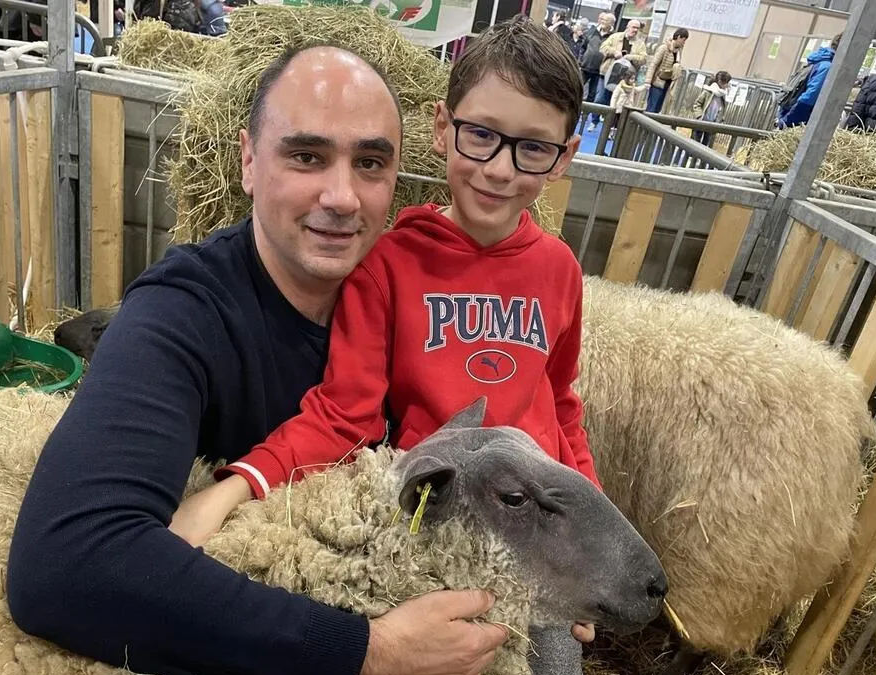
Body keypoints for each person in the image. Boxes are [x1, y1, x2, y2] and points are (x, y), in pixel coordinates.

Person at [6, 44, 524, 675]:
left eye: (370, 163)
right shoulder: (182, 313)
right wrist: (367, 654)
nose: (342, 197)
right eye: (306, 156)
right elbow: (69, 560)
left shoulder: (435, 308)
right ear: (249, 162)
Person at [173, 16, 603, 633]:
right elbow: (346, 416)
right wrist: (236, 486)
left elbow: (560, 406)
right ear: (442, 128)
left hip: (539, 533)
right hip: (439, 520)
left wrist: (592, 536)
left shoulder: (559, 270)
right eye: (481, 135)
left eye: (533, 148)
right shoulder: (386, 267)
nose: (500, 169)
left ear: (565, 157)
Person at [592, 18, 647, 128]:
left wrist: (630, 57)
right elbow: (603, 47)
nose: (635, 30)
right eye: (633, 27)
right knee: (600, 98)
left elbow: (644, 58)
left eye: (638, 28)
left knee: (617, 103)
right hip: (608, 73)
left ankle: (609, 126)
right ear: (628, 27)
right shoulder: (615, 37)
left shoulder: (640, 44)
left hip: (624, 79)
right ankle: (594, 121)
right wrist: (614, 52)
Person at [778, 33, 842, 128]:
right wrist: (788, 120)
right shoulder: (827, 67)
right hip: (797, 117)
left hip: (788, 111)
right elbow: (811, 95)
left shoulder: (818, 61)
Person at [580, 12, 615, 130]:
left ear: (611, 23)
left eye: (606, 20)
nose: (602, 22)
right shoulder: (592, 31)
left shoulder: (613, 36)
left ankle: (586, 116)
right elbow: (584, 46)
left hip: (599, 70)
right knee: (577, 88)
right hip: (585, 66)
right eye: (602, 19)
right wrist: (581, 60)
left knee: (593, 95)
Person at [646, 28, 688, 113]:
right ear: (678, 37)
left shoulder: (679, 51)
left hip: (668, 83)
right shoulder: (664, 48)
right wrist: (648, 81)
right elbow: (654, 64)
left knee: (658, 108)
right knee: (652, 108)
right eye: (683, 40)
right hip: (658, 81)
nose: (684, 43)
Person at [845, 61, 876, 133]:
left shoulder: (873, 79)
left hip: (866, 134)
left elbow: (858, 108)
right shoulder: (873, 80)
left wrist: (853, 131)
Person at [689, 70, 731, 146]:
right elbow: (697, 104)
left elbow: (721, 110)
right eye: (727, 83)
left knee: (706, 144)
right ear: (720, 82)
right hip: (701, 121)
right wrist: (699, 116)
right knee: (694, 143)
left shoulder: (723, 95)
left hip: (712, 124)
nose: (728, 85)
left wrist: (720, 120)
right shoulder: (708, 91)